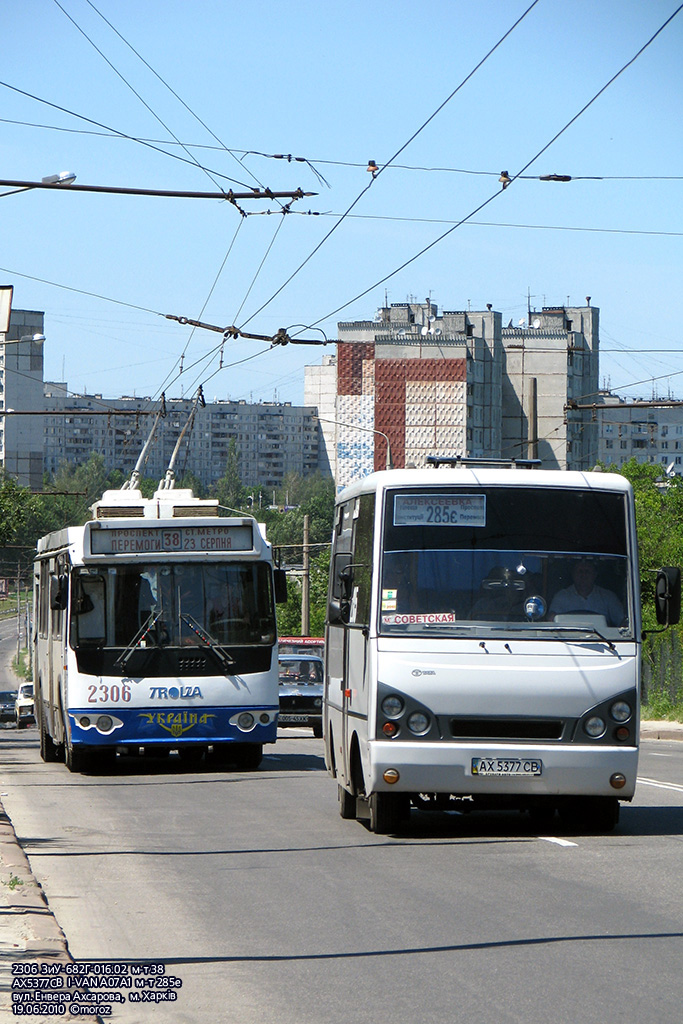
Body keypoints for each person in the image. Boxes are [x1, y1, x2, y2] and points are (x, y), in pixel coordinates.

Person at [550, 558, 624, 626]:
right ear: (573, 574)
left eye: (587, 572)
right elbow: (551, 621)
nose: (583, 575)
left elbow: (622, 622)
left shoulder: (608, 597)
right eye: (580, 571)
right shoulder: (561, 597)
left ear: (595, 575)